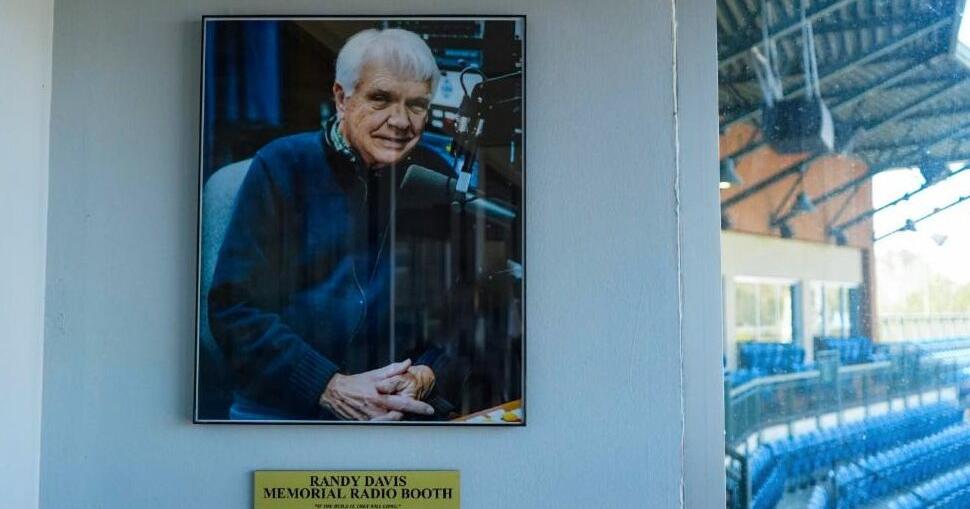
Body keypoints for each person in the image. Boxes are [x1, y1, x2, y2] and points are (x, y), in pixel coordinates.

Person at [208, 28, 446, 421]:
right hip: (289, 398)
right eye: (381, 99)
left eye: (417, 104)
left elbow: (462, 309)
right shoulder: (281, 166)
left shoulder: (434, 175)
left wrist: (427, 372)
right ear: (341, 98)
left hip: (399, 402)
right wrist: (328, 386)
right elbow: (234, 310)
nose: (400, 121)